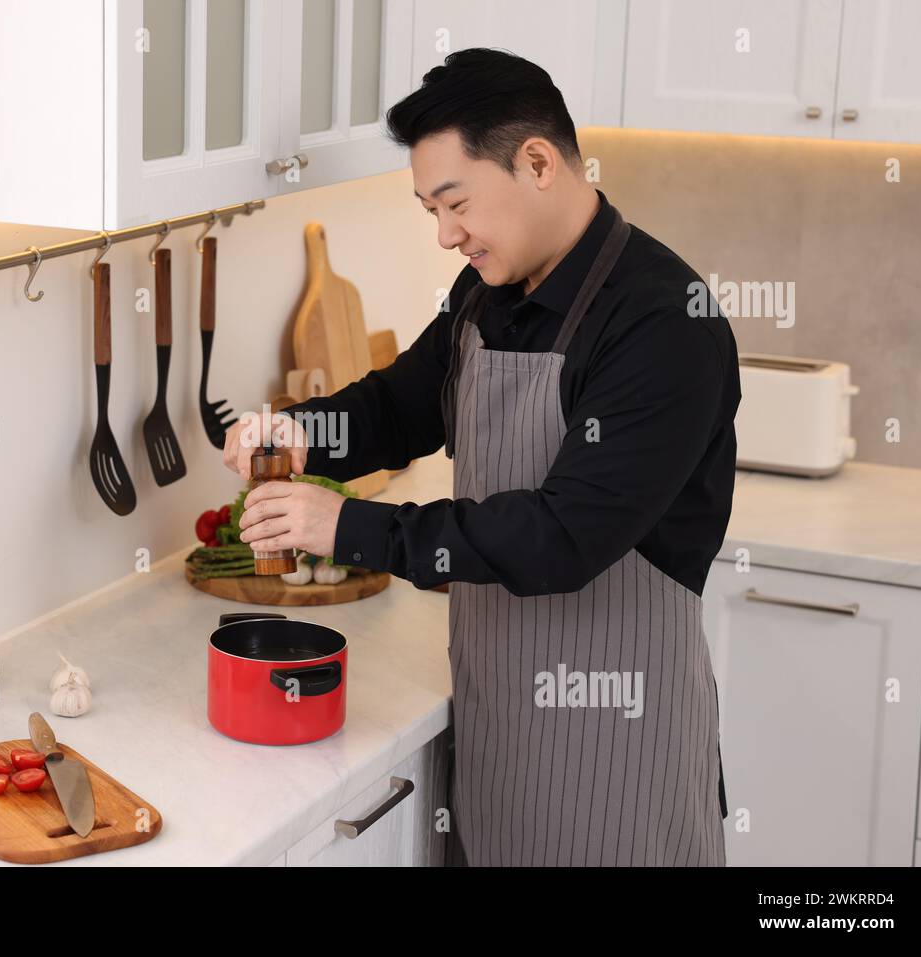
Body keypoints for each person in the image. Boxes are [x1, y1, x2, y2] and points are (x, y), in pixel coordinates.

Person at [221, 48, 739, 866]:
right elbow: (400, 405)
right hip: (503, 734)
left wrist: (350, 526)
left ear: (537, 162)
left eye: (454, 203)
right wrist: (300, 430)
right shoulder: (487, 293)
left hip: (620, 755)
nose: (444, 235)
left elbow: (563, 536)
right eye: (430, 208)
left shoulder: (664, 323)